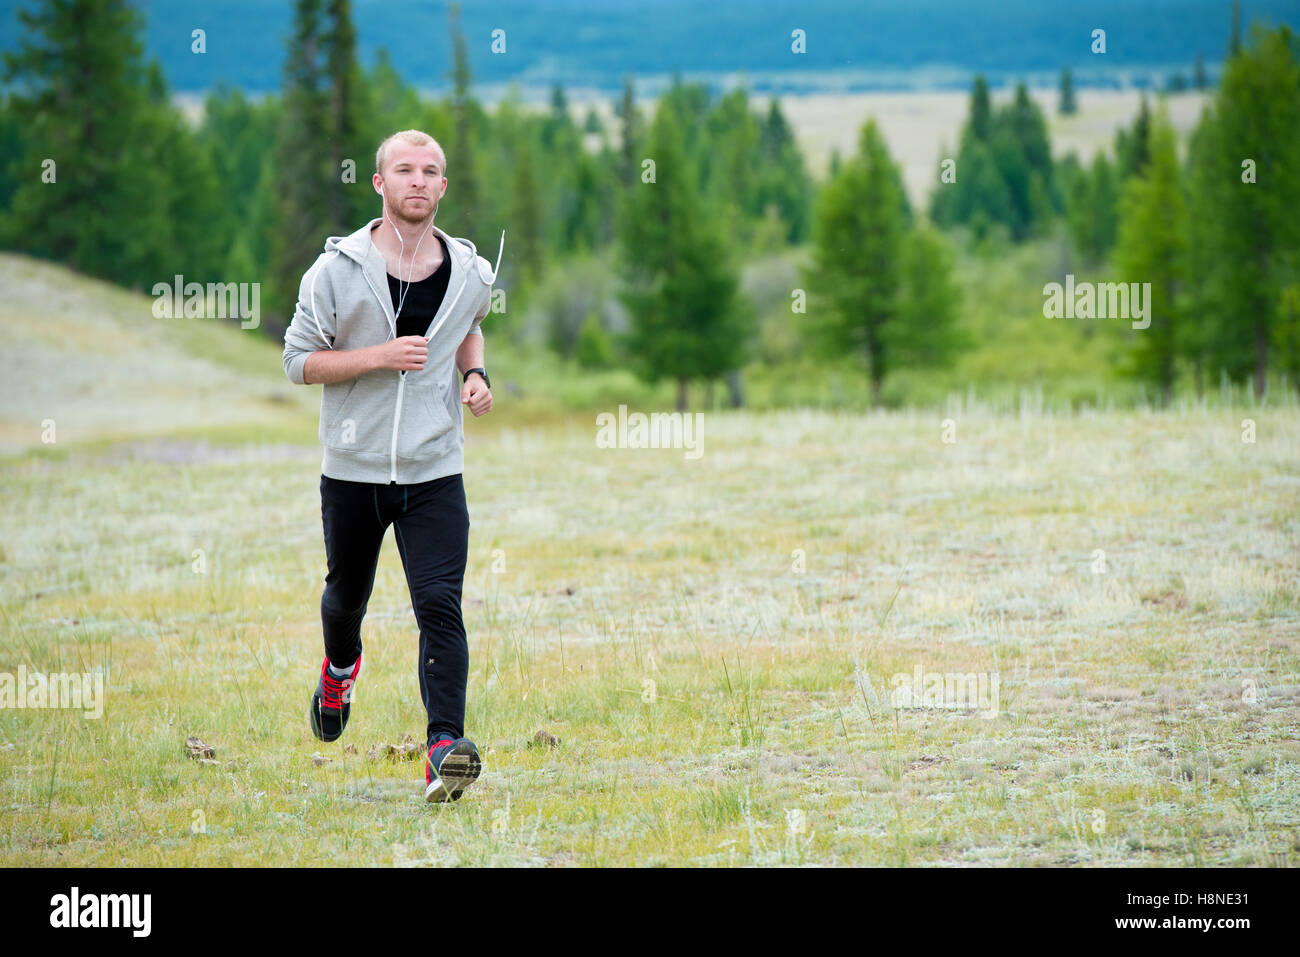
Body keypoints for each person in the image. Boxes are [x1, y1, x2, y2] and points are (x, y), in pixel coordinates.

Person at [281, 129, 503, 802]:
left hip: (435, 467)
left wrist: (474, 373)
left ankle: (443, 748)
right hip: (353, 469)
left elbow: (468, 321)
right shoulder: (335, 272)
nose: (417, 180)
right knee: (347, 598)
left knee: (440, 604)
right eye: (402, 169)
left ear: (442, 188)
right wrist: (379, 355)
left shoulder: (469, 270)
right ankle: (340, 668)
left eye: (429, 171)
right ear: (379, 184)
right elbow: (297, 361)